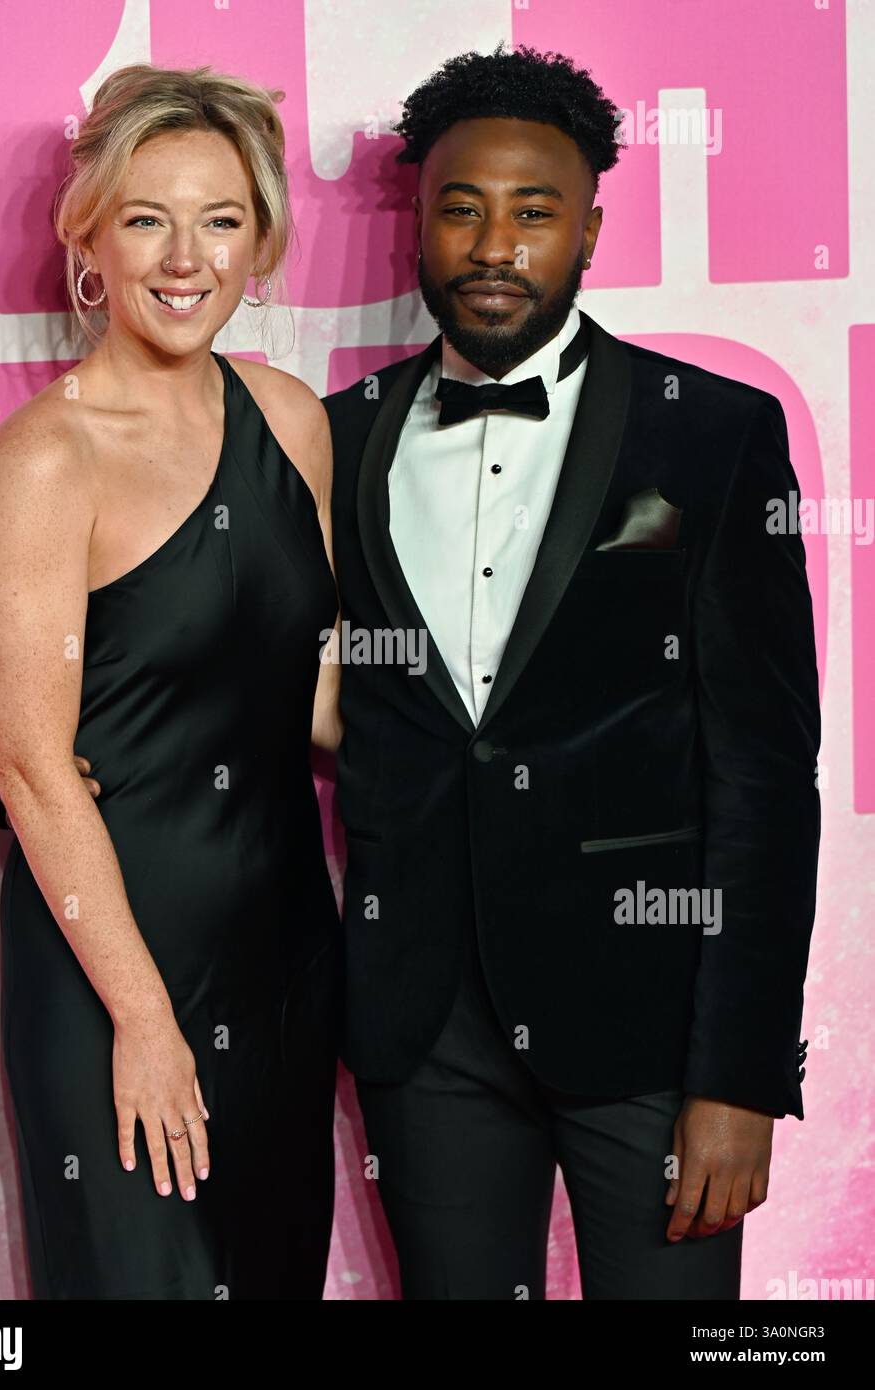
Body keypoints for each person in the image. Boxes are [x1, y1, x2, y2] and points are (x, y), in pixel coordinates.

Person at [321, 44, 820, 1299]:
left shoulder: (709, 435)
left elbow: (764, 779)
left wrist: (738, 1076)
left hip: (652, 1032)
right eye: (461, 207)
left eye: (533, 212)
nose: (494, 245)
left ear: (589, 230)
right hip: (420, 1026)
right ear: (420, 226)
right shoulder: (331, 441)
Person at [0, 63, 343, 1300]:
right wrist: (142, 1017)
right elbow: (30, 763)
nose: (185, 258)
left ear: (260, 244)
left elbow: (319, 693)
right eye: (145, 218)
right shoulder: (44, 457)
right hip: (110, 967)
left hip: (281, 948)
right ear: (90, 239)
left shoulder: (291, 420)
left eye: (220, 220)